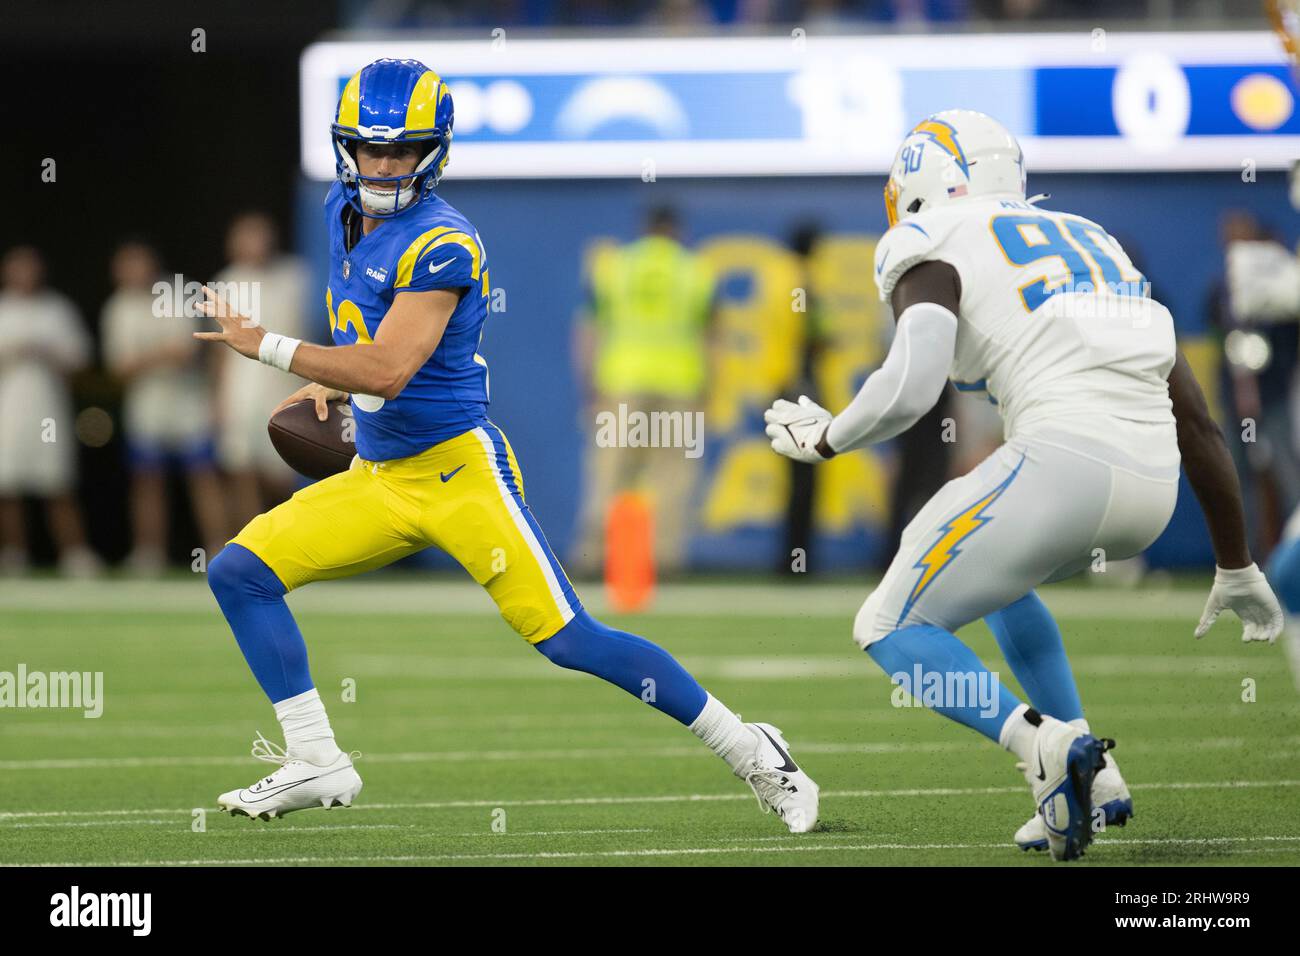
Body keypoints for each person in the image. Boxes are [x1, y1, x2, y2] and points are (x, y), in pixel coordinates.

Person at [194, 57, 817, 832]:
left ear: (436, 151)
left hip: (459, 472)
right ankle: (317, 757)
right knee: (239, 574)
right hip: (380, 473)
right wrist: (331, 378)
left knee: (570, 640)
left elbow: (389, 369)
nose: (382, 165)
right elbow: (365, 334)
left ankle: (755, 749)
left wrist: (272, 349)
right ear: (343, 148)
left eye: (401, 150)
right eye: (368, 149)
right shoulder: (340, 209)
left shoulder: (445, 241)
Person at [765, 110, 1283, 860]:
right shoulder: (1094, 244)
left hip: (1061, 469)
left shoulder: (931, 241)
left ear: (921, 181)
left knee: (887, 625)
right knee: (1002, 582)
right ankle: (1096, 778)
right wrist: (1235, 562)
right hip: (1151, 491)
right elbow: (1198, 422)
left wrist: (828, 436)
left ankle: (1036, 743)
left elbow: (912, 388)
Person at [571, 204, 716, 578]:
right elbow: (711, 337)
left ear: (645, 228)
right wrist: (709, 389)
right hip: (680, 383)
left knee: (610, 471)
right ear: (676, 230)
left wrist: (589, 387)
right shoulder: (696, 270)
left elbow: (588, 330)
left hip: (622, 380)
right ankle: (664, 560)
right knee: (671, 476)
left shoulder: (615, 266)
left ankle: (593, 558)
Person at [102, 240, 225, 571]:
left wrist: (143, 360)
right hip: (146, 407)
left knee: (202, 476)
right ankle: (148, 554)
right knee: (147, 479)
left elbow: (186, 352)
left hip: (188, 403)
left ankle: (218, 549)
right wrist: (158, 356)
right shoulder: (117, 307)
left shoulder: (175, 293)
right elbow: (118, 368)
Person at [0, 246, 99, 577]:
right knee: (8, 485)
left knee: (56, 482)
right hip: (8, 411)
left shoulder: (57, 310)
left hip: (48, 411)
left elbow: (80, 360)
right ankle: (15, 553)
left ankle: (74, 553)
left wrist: (47, 352)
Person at [213, 213, 310, 535]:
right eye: (246, 236)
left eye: (260, 235)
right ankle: (250, 542)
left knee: (284, 471)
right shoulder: (226, 282)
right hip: (241, 391)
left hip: (285, 384)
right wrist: (218, 399)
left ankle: (290, 538)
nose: (254, 244)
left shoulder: (297, 277)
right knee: (241, 468)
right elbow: (219, 348)